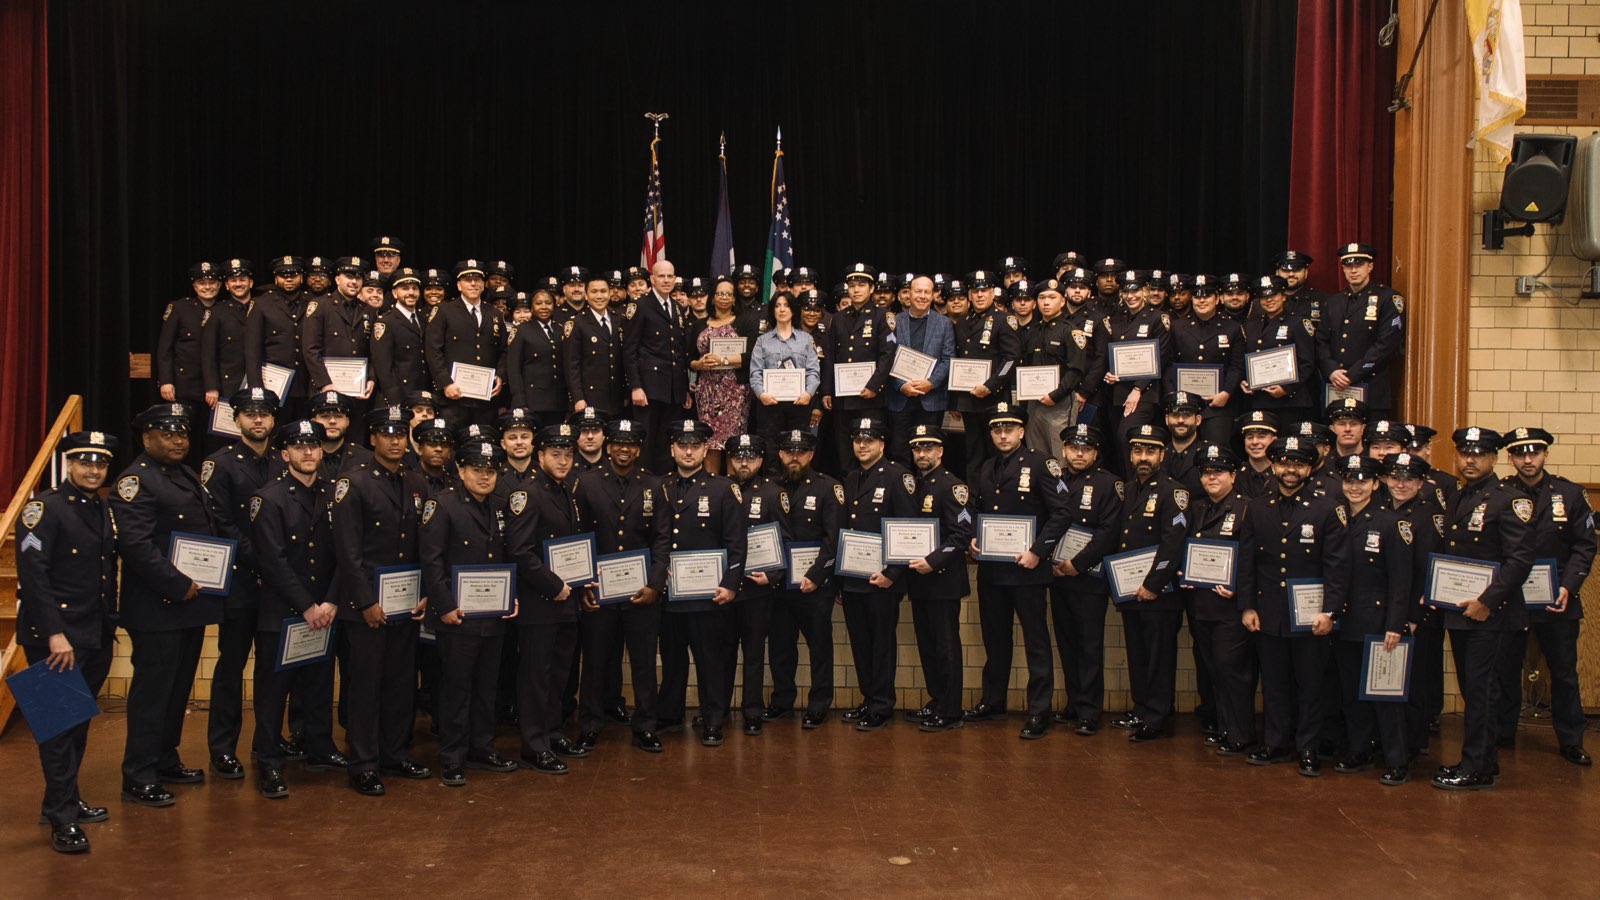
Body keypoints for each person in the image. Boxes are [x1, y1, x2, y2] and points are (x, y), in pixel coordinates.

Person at [114, 403, 223, 808]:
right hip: (158, 607)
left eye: (182, 433)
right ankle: (138, 774)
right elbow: (136, 547)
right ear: (146, 438)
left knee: (177, 689)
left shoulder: (185, 474)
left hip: (189, 605)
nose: (178, 440)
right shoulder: (135, 481)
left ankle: (164, 757)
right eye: (167, 433)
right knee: (153, 693)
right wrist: (179, 584)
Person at [15, 431, 119, 852]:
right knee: (57, 729)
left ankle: (63, 801)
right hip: (52, 637)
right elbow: (34, 578)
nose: (93, 470)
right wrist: (55, 634)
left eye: (100, 464)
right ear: (68, 465)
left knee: (76, 725)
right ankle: (61, 819)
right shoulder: (45, 508)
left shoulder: (100, 507)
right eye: (84, 462)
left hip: (93, 632)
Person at [331, 406, 432, 797]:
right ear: (371, 438)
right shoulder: (353, 484)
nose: (394, 441)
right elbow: (347, 551)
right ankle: (363, 763)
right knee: (365, 687)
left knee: (400, 684)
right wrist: (365, 601)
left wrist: (424, 592)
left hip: (406, 604)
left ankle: (394, 753)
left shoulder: (416, 482)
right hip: (368, 608)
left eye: (400, 434)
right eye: (386, 434)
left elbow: (423, 547)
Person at [1237, 435, 1351, 776]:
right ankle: (1275, 742)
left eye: (1298, 463)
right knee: (1273, 682)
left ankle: (1308, 748)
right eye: (1285, 463)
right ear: (1274, 465)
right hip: (1268, 611)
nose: (1291, 469)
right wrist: (1247, 607)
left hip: (1310, 615)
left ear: (1309, 467)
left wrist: (1330, 613)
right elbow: (1247, 563)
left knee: (1311, 685)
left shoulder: (1327, 508)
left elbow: (1337, 567)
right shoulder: (1256, 507)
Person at [1433, 427, 1536, 792]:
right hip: (1461, 613)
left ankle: (1475, 767)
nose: (1470, 460)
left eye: (1479, 453)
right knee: (1474, 690)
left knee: (1481, 691)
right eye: (1464, 453)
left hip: (1492, 615)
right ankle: (1482, 762)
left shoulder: (1508, 499)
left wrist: (1486, 602)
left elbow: (1520, 560)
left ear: (1494, 458)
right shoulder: (1460, 496)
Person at [248, 420, 345, 799]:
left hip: (326, 610)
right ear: (284, 454)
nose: (308, 452)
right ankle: (269, 759)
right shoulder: (268, 497)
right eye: (299, 446)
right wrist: (306, 606)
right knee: (273, 692)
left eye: (314, 446)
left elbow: (345, 554)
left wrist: (331, 601)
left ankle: (320, 747)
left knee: (319, 685)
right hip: (284, 612)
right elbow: (271, 561)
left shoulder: (335, 492)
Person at [964, 402, 1072, 739]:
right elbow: (972, 512)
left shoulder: (1042, 464)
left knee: (1036, 642)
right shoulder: (984, 468)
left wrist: (1038, 552)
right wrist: (971, 540)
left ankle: (1039, 710)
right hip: (993, 572)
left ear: (1022, 432)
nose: (1002, 434)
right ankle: (993, 700)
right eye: (997, 429)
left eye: (1009, 428)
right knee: (995, 641)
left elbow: (1062, 513)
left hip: (1027, 571)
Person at [421, 440, 520, 787]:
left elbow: (506, 557)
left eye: (490, 470)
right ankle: (452, 757)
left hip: (492, 615)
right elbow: (431, 562)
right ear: (460, 470)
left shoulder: (499, 506)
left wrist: (513, 597)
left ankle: (482, 747)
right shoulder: (443, 505)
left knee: (486, 688)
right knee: (456, 689)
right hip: (457, 616)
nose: (484, 476)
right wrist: (444, 605)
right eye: (477, 469)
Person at [1496, 427, 1596, 766]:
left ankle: (1571, 740)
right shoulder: (1500, 493)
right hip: (1511, 597)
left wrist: (1569, 585)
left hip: (1558, 598)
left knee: (1564, 672)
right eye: (1519, 453)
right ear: (1510, 456)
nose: (1527, 459)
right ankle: (1502, 733)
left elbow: (1585, 545)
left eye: (1534, 452)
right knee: (1505, 668)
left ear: (1545, 455)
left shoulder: (1569, 494)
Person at [199, 388, 283, 781]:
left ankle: (267, 742)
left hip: (278, 587)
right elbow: (221, 525)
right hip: (241, 583)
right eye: (249, 413)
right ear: (237, 421)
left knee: (273, 669)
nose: (258, 420)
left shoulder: (283, 463)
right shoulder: (220, 465)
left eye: (264, 413)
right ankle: (222, 748)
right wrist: (264, 560)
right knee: (231, 668)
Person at [649, 420, 747, 745]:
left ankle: (713, 720)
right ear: (672, 449)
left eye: (695, 445)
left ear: (706, 449)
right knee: (673, 660)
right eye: (682, 444)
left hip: (709, 597)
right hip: (671, 596)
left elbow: (737, 543)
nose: (688, 451)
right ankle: (669, 714)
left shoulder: (723, 489)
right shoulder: (659, 487)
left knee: (710, 663)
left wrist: (731, 584)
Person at [571, 419, 664, 753]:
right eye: (618, 444)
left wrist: (655, 584)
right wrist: (583, 585)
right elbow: (577, 538)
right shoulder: (586, 483)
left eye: (631, 444)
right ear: (608, 447)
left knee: (643, 664)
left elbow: (662, 540)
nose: (624, 449)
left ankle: (646, 727)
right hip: (600, 591)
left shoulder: (654, 485)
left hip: (642, 594)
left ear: (638, 449)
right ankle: (591, 724)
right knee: (595, 662)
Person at [1328, 454, 1415, 785]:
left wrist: (1396, 624)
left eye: (1362, 481)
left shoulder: (1391, 524)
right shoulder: (1336, 519)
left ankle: (1396, 760)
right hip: (1345, 621)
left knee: (1384, 696)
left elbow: (1401, 581)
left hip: (1379, 623)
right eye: (1349, 481)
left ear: (1375, 484)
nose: (1354, 487)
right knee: (1351, 694)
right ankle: (1359, 750)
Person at [502, 424, 586, 771]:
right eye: (556, 454)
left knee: (558, 674)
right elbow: (520, 551)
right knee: (537, 674)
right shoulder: (529, 494)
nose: (563, 460)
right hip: (541, 601)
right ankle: (534, 744)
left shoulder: (565, 490)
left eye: (568, 454)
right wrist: (554, 586)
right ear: (540, 456)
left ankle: (552, 732)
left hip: (565, 600)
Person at [1110, 425, 1191, 743]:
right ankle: (1141, 709)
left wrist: (1153, 584)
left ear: (1163, 454)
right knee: (1138, 653)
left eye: (1150, 451)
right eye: (1137, 451)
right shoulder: (1129, 489)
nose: (1143, 458)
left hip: (1159, 593)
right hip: (1131, 590)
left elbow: (1174, 544)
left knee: (1159, 657)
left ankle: (1157, 716)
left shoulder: (1175, 492)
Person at [835, 416, 915, 731]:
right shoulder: (851, 478)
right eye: (857, 440)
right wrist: (840, 580)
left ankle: (881, 705)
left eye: (869, 440)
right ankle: (868, 699)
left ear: (881, 444)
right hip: (854, 578)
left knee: (882, 644)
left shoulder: (898, 477)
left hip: (883, 580)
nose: (862, 445)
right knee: (861, 643)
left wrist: (893, 573)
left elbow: (908, 531)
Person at [1047, 424, 1124, 735]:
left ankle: (1090, 711)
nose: (1079, 453)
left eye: (1086, 449)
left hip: (1088, 578)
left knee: (1089, 646)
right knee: (1066, 644)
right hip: (1056, 575)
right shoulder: (1055, 480)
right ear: (1063, 450)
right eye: (1073, 448)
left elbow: (1109, 533)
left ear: (1096, 453)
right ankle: (1073, 704)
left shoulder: (1110, 484)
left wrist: (1077, 564)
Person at [764, 428, 843, 728]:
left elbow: (833, 538)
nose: (794, 457)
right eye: (788, 451)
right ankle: (782, 700)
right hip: (779, 583)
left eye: (800, 452)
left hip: (814, 586)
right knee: (781, 647)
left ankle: (819, 703)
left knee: (820, 648)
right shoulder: (769, 487)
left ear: (810, 455)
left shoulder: (828, 488)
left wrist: (816, 575)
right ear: (781, 455)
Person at [1183, 443, 1257, 754]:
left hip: (1230, 606)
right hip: (1201, 605)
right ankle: (1226, 727)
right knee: (1213, 667)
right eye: (1207, 472)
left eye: (1219, 472)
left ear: (1233, 474)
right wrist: (1183, 573)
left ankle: (1240, 734)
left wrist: (1240, 589)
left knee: (1232, 670)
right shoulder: (1199, 508)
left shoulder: (1247, 508)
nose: (1212, 477)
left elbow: (1254, 557)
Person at [902, 425, 972, 732]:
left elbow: (961, 534)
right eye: (917, 449)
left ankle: (951, 709)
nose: (922, 454)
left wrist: (933, 561)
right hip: (919, 580)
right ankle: (938, 699)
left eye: (928, 448)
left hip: (943, 579)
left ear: (940, 451)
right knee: (928, 646)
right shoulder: (914, 484)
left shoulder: (951, 485)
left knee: (945, 647)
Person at [725, 434, 790, 734]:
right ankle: (718, 708)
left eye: (750, 457)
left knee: (753, 653)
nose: (744, 462)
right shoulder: (718, 490)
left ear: (761, 460)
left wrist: (774, 576)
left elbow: (786, 542)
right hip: (724, 589)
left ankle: (752, 710)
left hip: (757, 590)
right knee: (720, 654)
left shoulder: (773, 493)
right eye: (738, 456)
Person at [822, 266, 898, 474]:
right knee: (845, 451)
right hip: (843, 398)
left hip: (870, 397)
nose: (856, 290)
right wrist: (828, 390)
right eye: (852, 286)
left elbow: (888, 355)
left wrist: (874, 385)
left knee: (871, 448)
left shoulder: (883, 316)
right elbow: (830, 357)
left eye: (862, 285)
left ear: (872, 288)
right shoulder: (838, 318)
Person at [1318, 244, 1405, 420]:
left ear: (1370, 266)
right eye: (1348, 266)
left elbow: (1386, 345)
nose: (1353, 270)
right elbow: (1320, 340)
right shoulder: (1333, 302)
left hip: (1371, 386)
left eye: (1359, 265)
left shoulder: (1387, 298)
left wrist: (1353, 374)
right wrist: (1331, 369)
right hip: (1336, 387)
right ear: (1342, 268)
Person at [949, 269, 1020, 476]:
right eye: (975, 291)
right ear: (970, 295)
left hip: (993, 398)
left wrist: (989, 386)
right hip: (968, 399)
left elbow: (1011, 360)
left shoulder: (1004, 320)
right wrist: (955, 399)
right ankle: (974, 498)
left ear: (992, 293)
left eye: (984, 290)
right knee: (973, 452)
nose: (980, 295)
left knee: (996, 450)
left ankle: (995, 497)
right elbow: (957, 361)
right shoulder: (962, 322)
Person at [424, 260, 506, 431]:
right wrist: (445, 382)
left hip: (485, 398)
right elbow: (433, 350)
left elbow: (503, 350)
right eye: (468, 280)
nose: (473, 283)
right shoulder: (444, 310)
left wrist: (500, 375)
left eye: (478, 279)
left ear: (484, 285)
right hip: (453, 395)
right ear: (459, 285)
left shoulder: (495, 314)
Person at [1100, 271, 1169, 463]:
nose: (1130, 296)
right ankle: (1127, 487)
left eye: (1135, 290)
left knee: (1127, 437)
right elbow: (1111, 353)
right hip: (1118, 391)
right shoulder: (1116, 318)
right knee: (1116, 444)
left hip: (1145, 392)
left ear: (1145, 290)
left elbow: (1161, 357)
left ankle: (1138, 486)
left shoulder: (1157, 318)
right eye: (1125, 291)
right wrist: (1109, 373)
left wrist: (1138, 388)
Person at [1165, 275, 1243, 445]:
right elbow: (1168, 364)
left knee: (1215, 452)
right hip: (1184, 406)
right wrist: (1172, 394)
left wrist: (1226, 393)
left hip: (1218, 404)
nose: (1201, 301)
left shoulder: (1232, 327)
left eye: (1206, 296)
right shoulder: (1178, 326)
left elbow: (1236, 366)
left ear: (1217, 299)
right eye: (1197, 296)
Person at [887, 275, 955, 466]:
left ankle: (928, 492)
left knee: (929, 451)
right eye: (918, 291)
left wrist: (931, 383)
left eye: (927, 292)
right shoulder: (893, 321)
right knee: (899, 451)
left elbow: (949, 359)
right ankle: (903, 492)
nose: (922, 296)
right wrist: (901, 386)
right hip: (900, 398)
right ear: (909, 293)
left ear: (933, 295)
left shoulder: (944, 323)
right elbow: (885, 359)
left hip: (931, 399)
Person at [300, 257, 377, 426]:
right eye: (349, 276)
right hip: (326, 388)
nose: (354, 282)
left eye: (358, 278)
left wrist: (371, 378)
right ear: (337, 279)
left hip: (358, 391)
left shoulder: (369, 311)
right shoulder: (320, 305)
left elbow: (372, 352)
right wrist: (325, 383)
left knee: (354, 440)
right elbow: (310, 349)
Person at [630, 261, 690, 474]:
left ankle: (663, 487)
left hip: (672, 389)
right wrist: (635, 386)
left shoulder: (676, 307)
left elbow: (678, 352)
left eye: (670, 276)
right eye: (661, 276)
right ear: (652, 279)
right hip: (648, 388)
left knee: (667, 441)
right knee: (646, 442)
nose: (666, 280)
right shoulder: (640, 306)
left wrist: (683, 389)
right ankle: (645, 489)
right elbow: (630, 350)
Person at [749, 292, 820, 467]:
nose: (782, 309)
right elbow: (755, 373)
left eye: (786, 305)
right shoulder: (762, 341)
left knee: (797, 449)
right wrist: (762, 394)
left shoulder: (806, 339)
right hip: (769, 406)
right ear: (772, 311)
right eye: (777, 305)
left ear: (793, 310)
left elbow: (813, 371)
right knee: (771, 452)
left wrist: (808, 393)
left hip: (799, 404)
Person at [1018, 278, 1086, 456]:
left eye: (1052, 297)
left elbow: (1076, 370)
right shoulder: (1032, 332)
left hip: (1059, 403)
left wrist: (1055, 395)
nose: (1046, 302)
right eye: (1041, 298)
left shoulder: (1071, 331)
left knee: (1060, 455)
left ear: (1062, 301)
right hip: (1033, 403)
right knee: (1035, 455)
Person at [689, 279, 751, 473]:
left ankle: (733, 487)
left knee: (733, 441)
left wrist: (723, 361)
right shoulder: (699, 324)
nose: (724, 298)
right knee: (710, 440)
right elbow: (688, 359)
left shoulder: (745, 322)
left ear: (734, 299)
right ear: (713, 298)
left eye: (728, 294)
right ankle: (711, 485)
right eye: (720, 294)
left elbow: (751, 357)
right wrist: (699, 364)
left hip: (735, 393)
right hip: (706, 392)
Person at [156, 262, 221, 443]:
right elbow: (165, 349)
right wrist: (166, 381)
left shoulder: (224, 310)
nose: (207, 287)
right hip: (183, 387)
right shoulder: (179, 308)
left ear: (220, 285)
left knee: (211, 440)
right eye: (201, 283)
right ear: (194, 286)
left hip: (215, 388)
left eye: (212, 282)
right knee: (181, 438)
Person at [1239, 275, 1314, 417]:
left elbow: (1307, 363)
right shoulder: (1250, 325)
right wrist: (1244, 380)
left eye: (1274, 295)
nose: (1269, 300)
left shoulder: (1298, 322)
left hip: (1290, 401)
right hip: (1259, 399)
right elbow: (1244, 358)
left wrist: (1287, 388)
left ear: (1284, 296)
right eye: (1263, 297)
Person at [201, 259, 256, 449]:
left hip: (257, 381)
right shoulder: (217, 312)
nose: (238, 284)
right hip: (228, 385)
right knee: (228, 438)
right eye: (233, 280)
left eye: (242, 279)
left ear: (251, 282)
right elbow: (208, 352)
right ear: (226, 285)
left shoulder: (263, 307)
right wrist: (211, 386)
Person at [246, 256, 311, 419]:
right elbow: (252, 349)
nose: (288, 279)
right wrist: (256, 387)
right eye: (283, 275)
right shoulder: (261, 304)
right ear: (276, 278)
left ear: (301, 277)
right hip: (274, 383)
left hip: (307, 382)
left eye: (294, 275)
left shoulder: (313, 302)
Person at [563, 274, 634, 417]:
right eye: (594, 292)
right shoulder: (577, 323)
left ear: (609, 294)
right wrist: (578, 398)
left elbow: (625, 360)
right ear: (586, 295)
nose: (599, 296)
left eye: (603, 291)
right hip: (589, 398)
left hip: (617, 398)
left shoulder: (619, 320)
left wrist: (626, 393)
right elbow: (572, 366)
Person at [504, 287, 569, 429]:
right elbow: (513, 369)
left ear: (554, 305)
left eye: (548, 303)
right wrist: (520, 402)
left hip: (558, 401)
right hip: (532, 402)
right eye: (539, 303)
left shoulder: (561, 329)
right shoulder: (521, 330)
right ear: (532, 307)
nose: (544, 307)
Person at [370, 266, 431, 406]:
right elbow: (382, 366)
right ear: (395, 293)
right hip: (396, 397)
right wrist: (395, 399)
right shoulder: (385, 322)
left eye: (414, 288)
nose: (411, 293)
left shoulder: (423, 319)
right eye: (405, 288)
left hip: (420, 394)